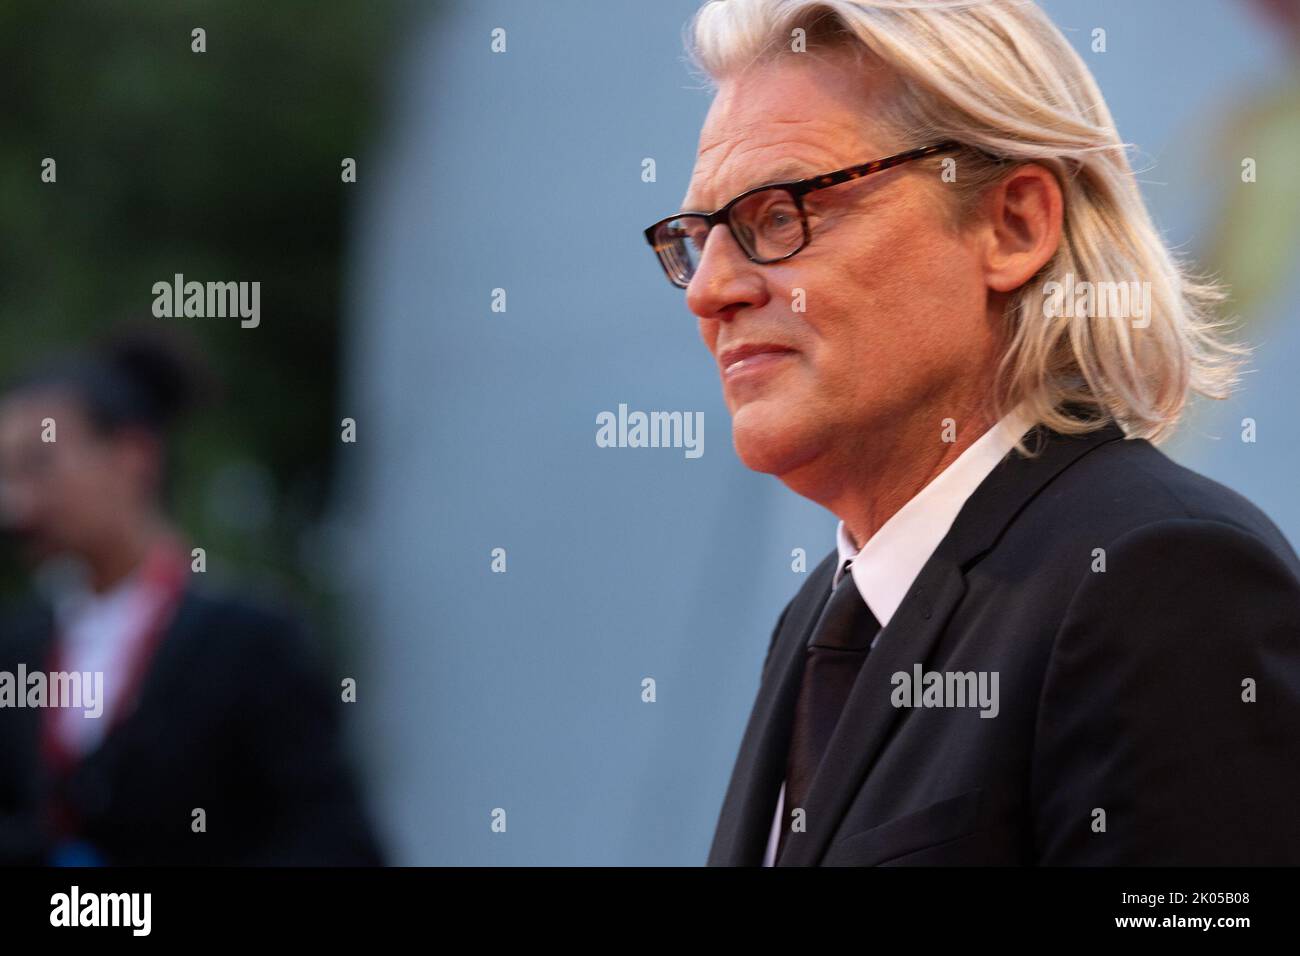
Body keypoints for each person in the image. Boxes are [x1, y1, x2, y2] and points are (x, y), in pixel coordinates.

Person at [641, 0, 1300, 865]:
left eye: (779, 214)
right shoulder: (822, 622)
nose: (708, 290)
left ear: (1013, 225)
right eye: (696, 239)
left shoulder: (1160, 576)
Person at [0, 328, 383, 865]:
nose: (15, 503)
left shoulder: (250, 641)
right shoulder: (21, 645)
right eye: (7, 473)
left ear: (133, 456)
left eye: (38, 465)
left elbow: (335, 840)